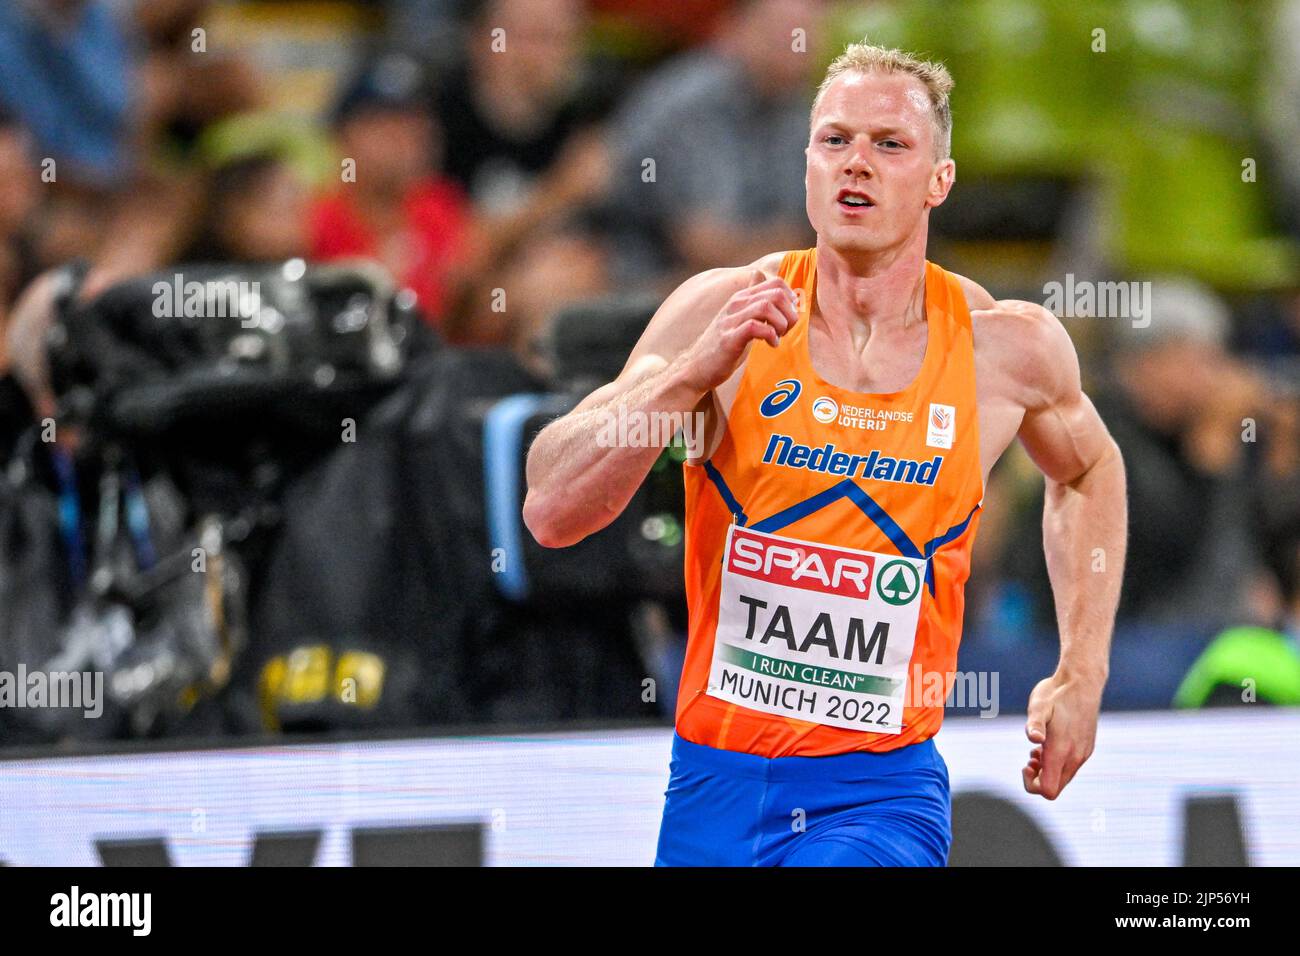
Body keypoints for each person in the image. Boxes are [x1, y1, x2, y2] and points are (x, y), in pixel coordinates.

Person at [523, 42, 1128, 866]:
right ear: (806, 164)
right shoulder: (720, 310)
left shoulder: (1004, 350)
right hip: (713, 786)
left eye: (890, 145)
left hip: (879, 792)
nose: (858, 165)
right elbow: (552, 510)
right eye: (835, 140)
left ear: (938, 182)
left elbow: (1091, 469)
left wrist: (1080, 670)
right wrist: (690, 378)